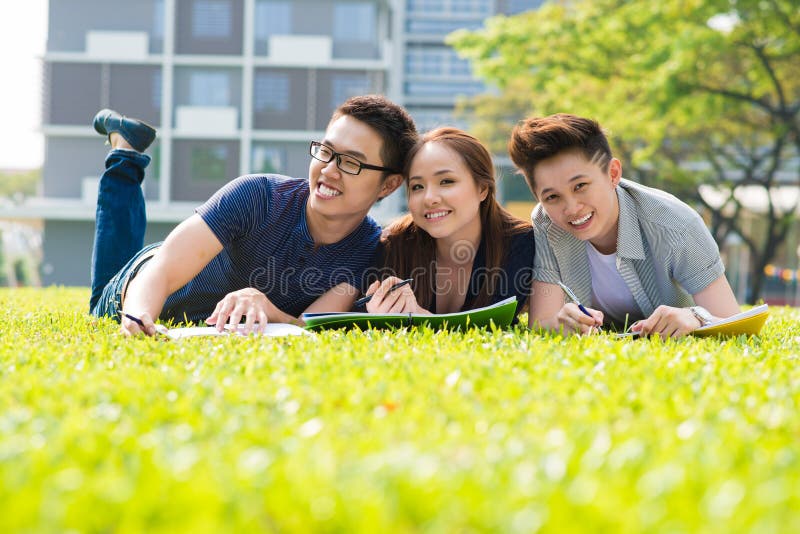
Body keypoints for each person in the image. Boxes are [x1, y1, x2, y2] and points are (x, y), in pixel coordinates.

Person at [89, 95, 418, 336]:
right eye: (326, 151)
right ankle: (125, 154)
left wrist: (267, 307)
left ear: (389, 185)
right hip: (144, 282)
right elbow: (163, 269)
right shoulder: (258, 196)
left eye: (350, 162)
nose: (328, 170)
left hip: (201, 324)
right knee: (103, 293)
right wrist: (139, 316)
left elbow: (309, 328)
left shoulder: (369, 251)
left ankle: (126, 149)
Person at [508, 113, 741, 337]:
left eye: (580, 186)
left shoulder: (676, 225)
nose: (571, 208)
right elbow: (542, 323)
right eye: (552, 197)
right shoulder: (546, 223)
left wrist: (696, 317)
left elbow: (734, 324)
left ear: (613, 173)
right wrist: (562, 322)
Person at [362, 127, 534, 319]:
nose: (429, 198)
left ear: (482, 189)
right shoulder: (394, 244)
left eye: (446, 181)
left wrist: (418, 315)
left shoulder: (519, 243)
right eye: (417, 186)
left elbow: (492, 325)